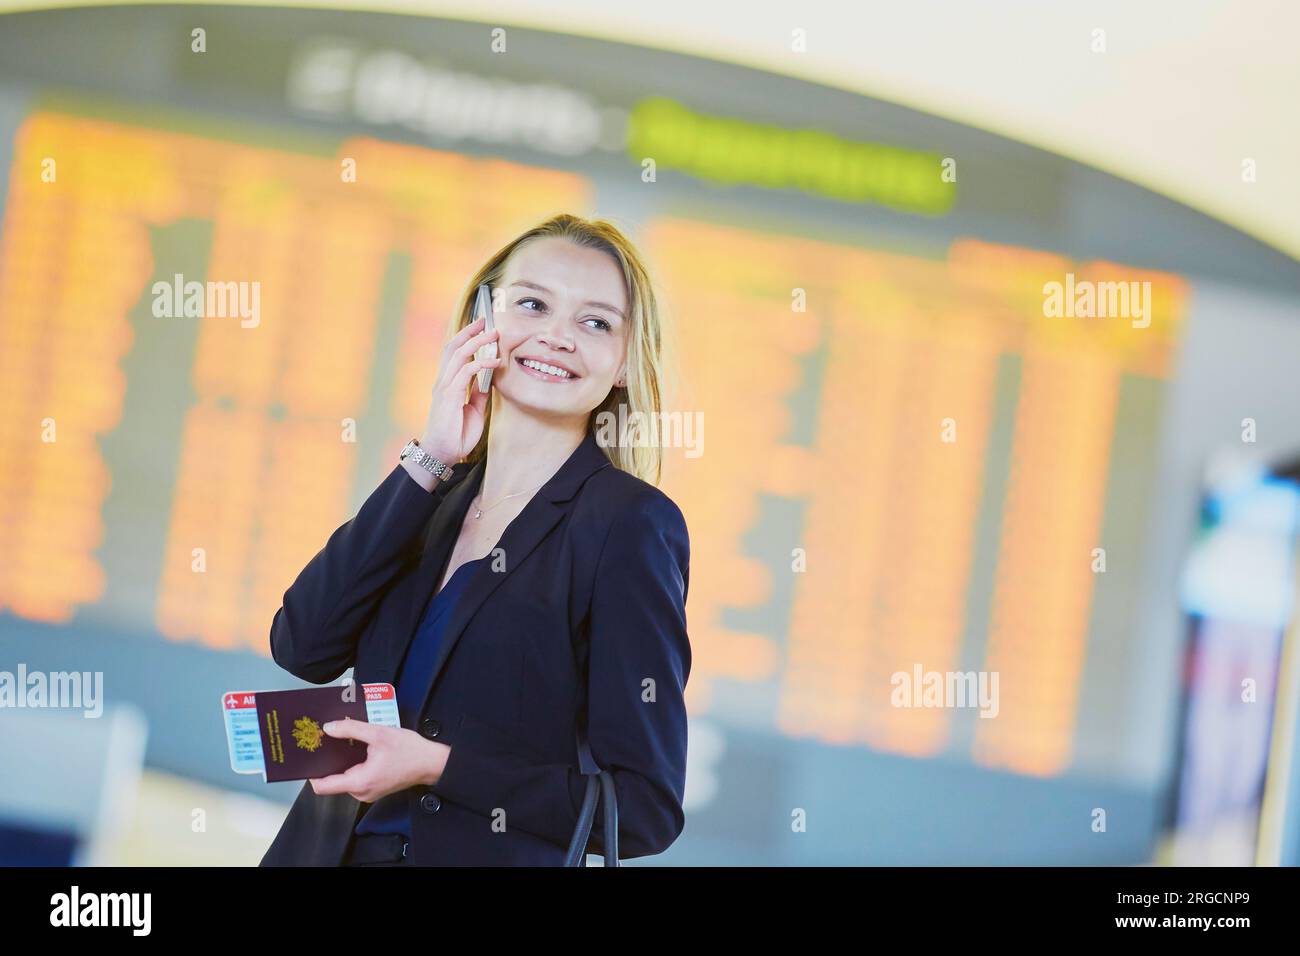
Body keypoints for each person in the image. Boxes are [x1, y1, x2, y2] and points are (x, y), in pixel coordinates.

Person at [259, 213, 691, 866]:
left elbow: (644, 810)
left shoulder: (628, 524)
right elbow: (302, 646)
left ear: (627, 361)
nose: (556, 337)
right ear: (481, 321)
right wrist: (429, 456)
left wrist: (438, 767)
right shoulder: (432, 494)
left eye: (595, 322)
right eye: (533, 304)